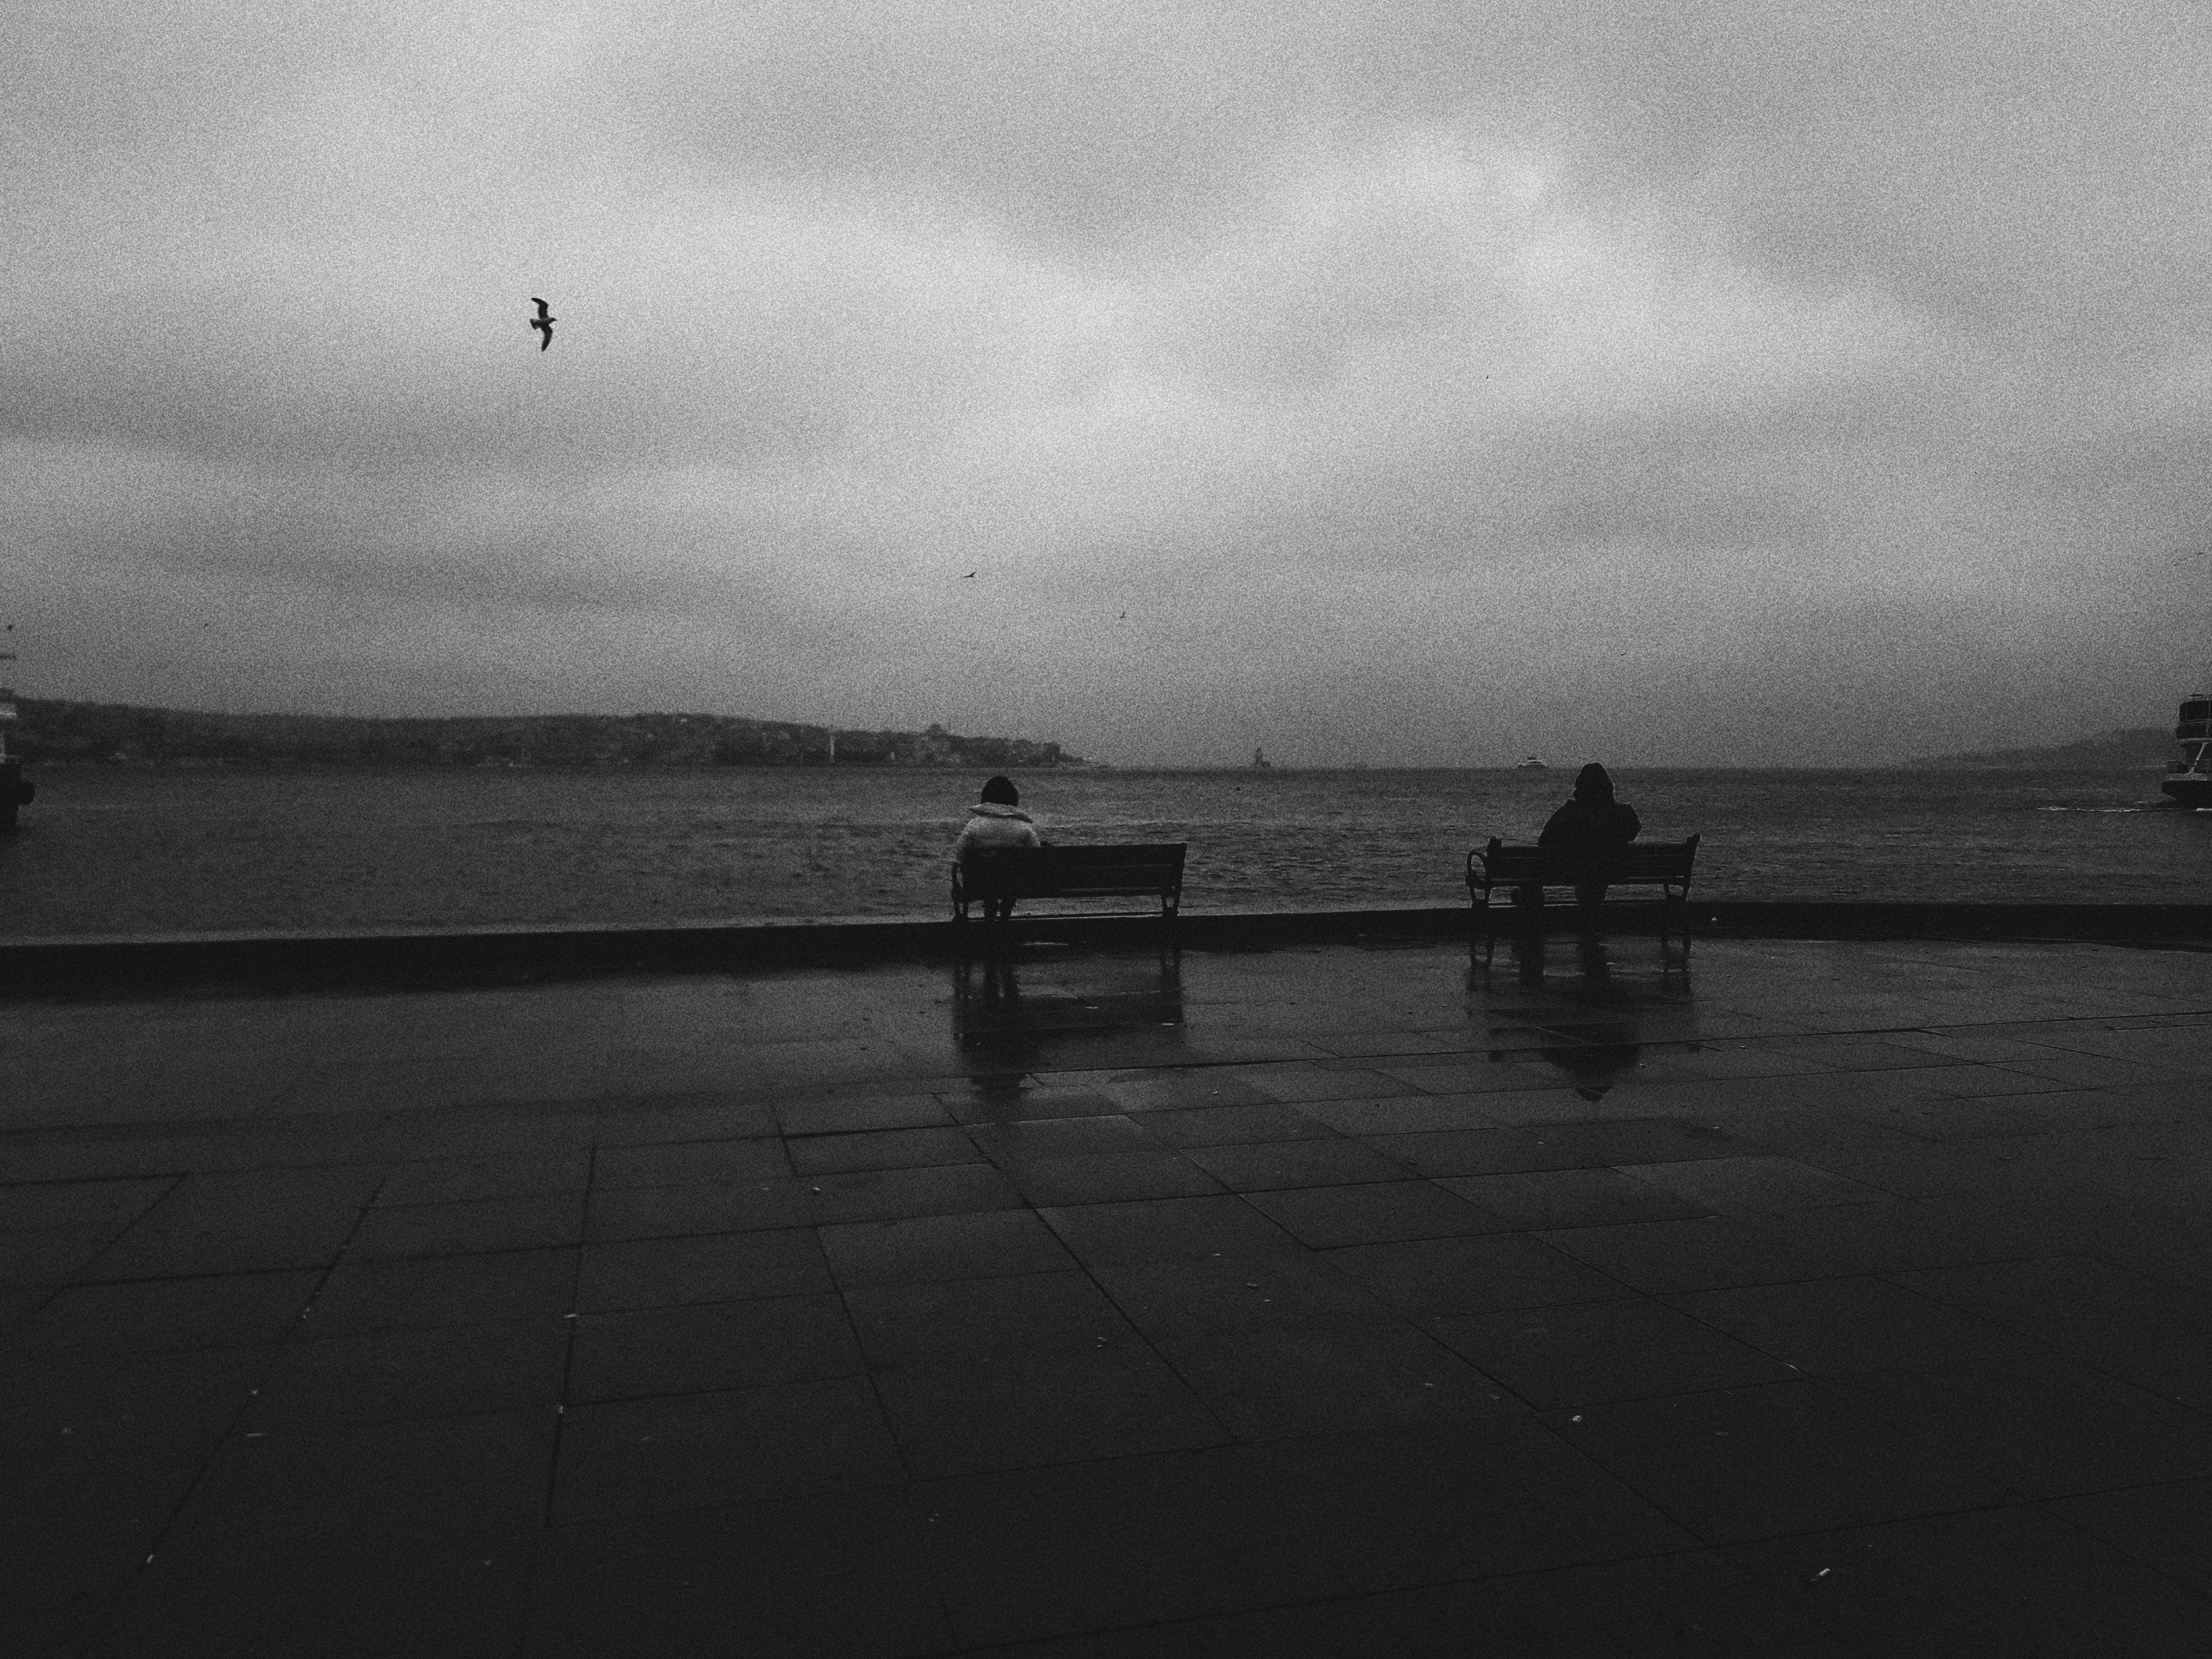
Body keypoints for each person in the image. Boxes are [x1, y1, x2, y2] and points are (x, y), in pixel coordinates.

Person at [1519, 761, 1641, 923]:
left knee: (1532, 872)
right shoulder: (1624, 813)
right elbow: (1633, 833)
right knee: (1598, 869)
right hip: (1614, 870)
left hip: (1572, 870)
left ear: (1580, 787)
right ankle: (1590, 908)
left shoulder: (1568, 813)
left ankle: (1530, 913)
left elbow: (1544, 842)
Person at [953, 775, 1042, 923]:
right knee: (1015, 872)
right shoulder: (1024, 829)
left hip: (981, 884)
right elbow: (1038, 857)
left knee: (988, 873)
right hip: (1015, 884)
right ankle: (1008, 904)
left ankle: (990, 903)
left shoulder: (973, 827)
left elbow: (959, 858)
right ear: (1014, 799)